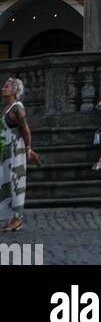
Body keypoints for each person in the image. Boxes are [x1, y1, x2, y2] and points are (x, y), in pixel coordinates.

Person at [1, 78, 36, 233]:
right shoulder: (6, 108)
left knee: (17, 183)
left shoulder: (17, 108)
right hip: (5, 151)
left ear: (15, 91)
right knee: (6, 182)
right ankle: (12, 217)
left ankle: (18, 218)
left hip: (16, 150)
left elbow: (26, 130)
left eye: (6, 86)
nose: (3, 88)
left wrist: (28, 148)